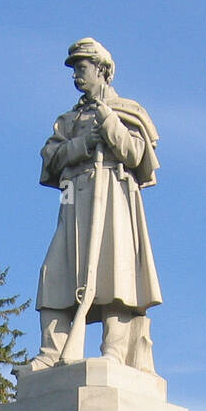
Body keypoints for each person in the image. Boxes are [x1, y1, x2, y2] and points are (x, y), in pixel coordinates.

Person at [20, 38, 162, 374]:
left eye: (82, 68)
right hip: (73, 204)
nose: (76, 77)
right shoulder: (68, 120)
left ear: (102, 70)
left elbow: (135, 154)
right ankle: (51, 351)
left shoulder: (129, 110)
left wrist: (108, 121)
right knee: (55, 273)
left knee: (117, 273)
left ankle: (116, 349)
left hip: (113, 197)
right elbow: (50, 160)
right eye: (74, 70)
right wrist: (84, 144)